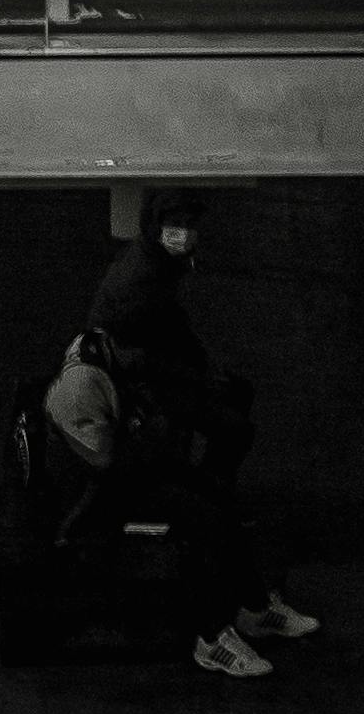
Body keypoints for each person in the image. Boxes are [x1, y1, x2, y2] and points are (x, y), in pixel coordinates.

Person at [89, 206, 321, 683]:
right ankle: (214, 635)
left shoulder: (109, 358)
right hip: (119, 484)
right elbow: (107, 464)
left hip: (134, 463)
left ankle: (252, 610)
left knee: (216, 504)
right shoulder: (125, 327)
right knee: (209, 516)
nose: (184, 237)